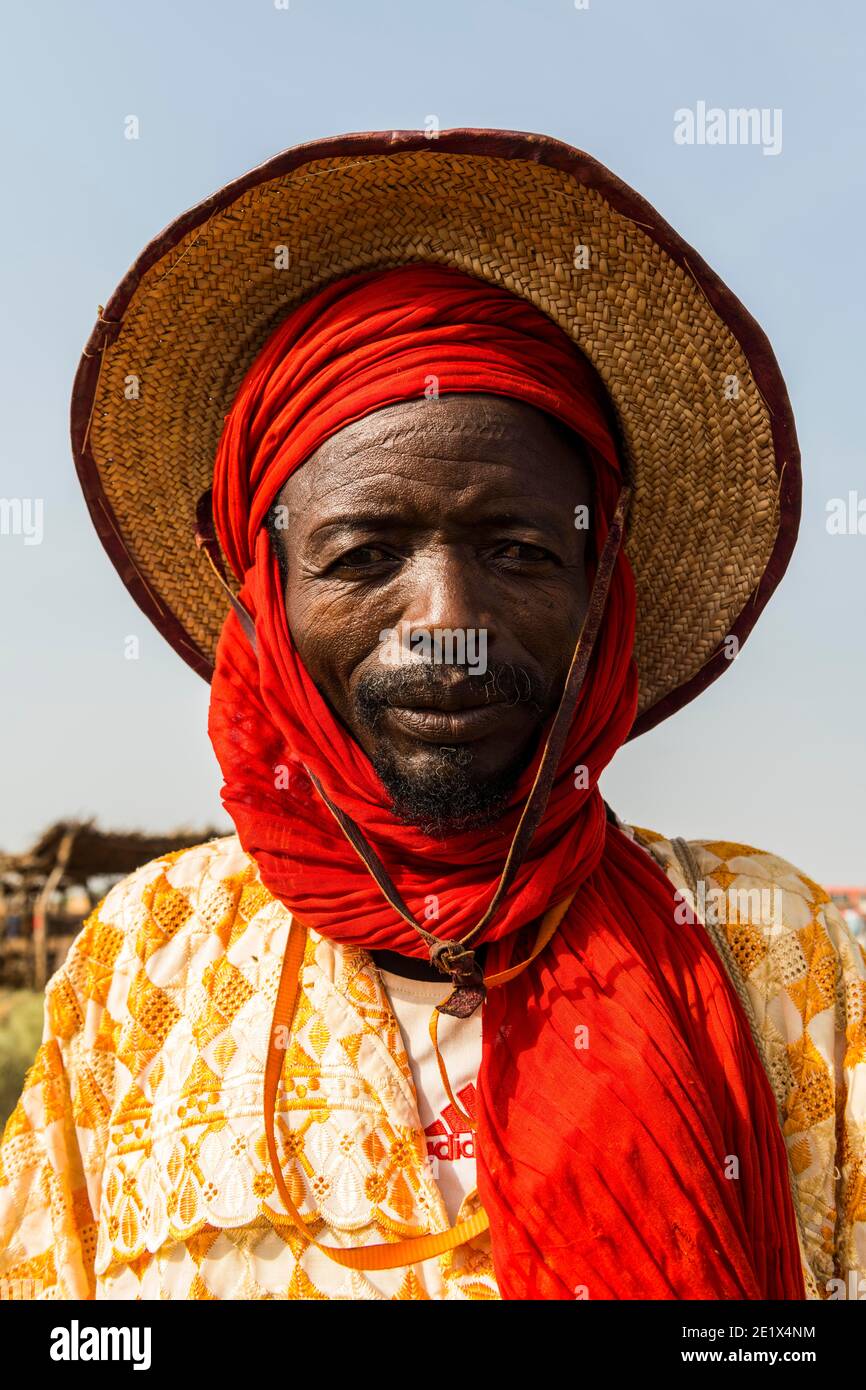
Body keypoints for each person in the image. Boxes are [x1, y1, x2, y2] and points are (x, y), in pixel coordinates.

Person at [1, 129, 864, 1302]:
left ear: (599, 591)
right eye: (364, 554)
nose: (447, 623)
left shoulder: (776, 951)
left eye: (517, 550)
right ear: (270, 597)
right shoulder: (146, 959)